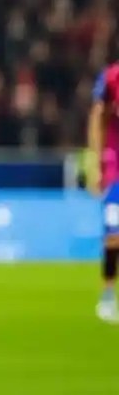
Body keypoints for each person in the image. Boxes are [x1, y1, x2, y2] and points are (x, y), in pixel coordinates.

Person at [87, 62, 119, 323]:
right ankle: (108, 296)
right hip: (115, 167)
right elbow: (98, 115)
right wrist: (94, 163)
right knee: (113, 235)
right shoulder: (112, 77)